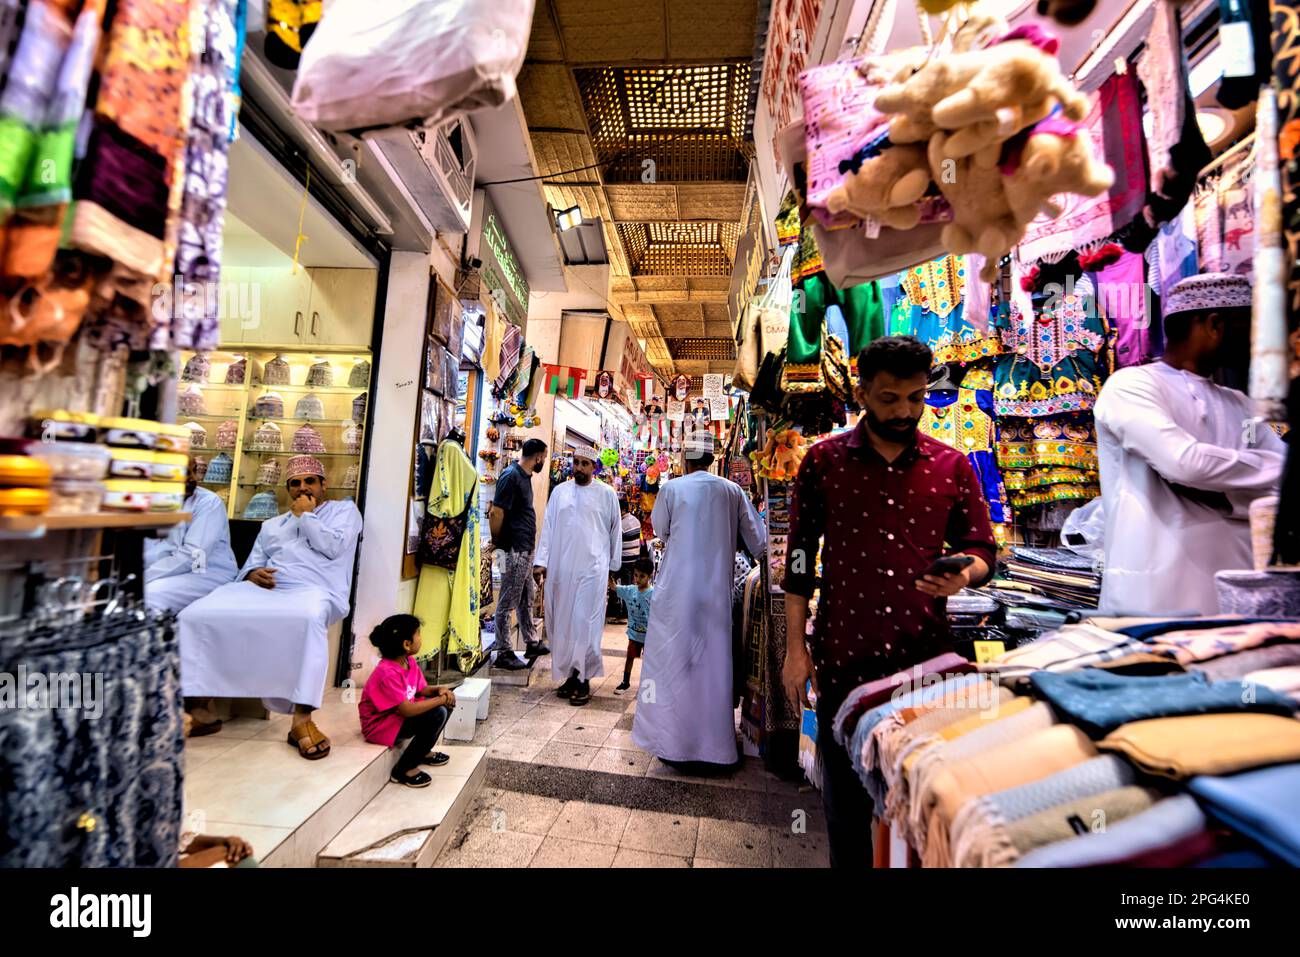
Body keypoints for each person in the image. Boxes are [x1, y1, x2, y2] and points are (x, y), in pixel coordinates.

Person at [780, 336, 997, 868]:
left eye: (916, 398)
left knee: (918, 816)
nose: (905, 411)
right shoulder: (824, 464)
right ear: (862, 393)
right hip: (843, 662)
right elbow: (801, 560)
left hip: (924, 668)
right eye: (889, 398)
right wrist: (794, 650)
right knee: (847, 818)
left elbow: (983, 548)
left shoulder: (952, 466)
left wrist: (965, 573)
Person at [1094, 273, 1287, 614]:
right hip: (1156, 590)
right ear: (1214, 325)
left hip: (1238, 584)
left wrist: (1225, 486)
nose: (1258, 341)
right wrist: (1250, 480)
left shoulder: (1240, 404)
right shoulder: (1131, 387)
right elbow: (1184, 463)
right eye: (1248, 326)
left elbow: (1287, 477)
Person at [179, 455, 364, 760]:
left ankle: (301, 720)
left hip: (314, 591)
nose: (303, 488)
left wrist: (307, 516)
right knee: (195, 614)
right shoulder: (272, 525)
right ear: (288, 489)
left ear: (323, 484)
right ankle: (199, 708)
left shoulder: (345, 512)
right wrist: (252, 574)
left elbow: (332, 548)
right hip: (265, 589)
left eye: (310, 481)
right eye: (295, 483)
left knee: (305, 619)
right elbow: (253, 563)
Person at [632, 430, 766, 768]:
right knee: (711, 671)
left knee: (673, 668)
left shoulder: (671, 489)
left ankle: (673, 745)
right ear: (711, 457)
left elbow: (661, 531)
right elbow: (760, 541)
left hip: (675, 595)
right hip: (714, 598)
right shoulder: (732, 491)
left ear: (686, 457)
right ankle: (714, 750)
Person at [533, 446, 621, 707]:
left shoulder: (606, 494)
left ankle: (583, 679)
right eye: (576, 462)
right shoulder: (560, 493)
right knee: (563, 624)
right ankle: (571, 675)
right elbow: (548, 528)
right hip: (562, 570)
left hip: (592, 571)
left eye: (585, 463)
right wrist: (541, 562)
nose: (579, 468)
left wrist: (612, 568)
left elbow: (615, 531)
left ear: (594, 467)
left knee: (585, 624)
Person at [359, 614, 457, 788]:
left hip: (397, 717)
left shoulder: (408, 661)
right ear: (406, 644)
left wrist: (440, 691)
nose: (421, 638)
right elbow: (407, 710)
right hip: (380, 726)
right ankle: (404, 769)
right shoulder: (386, 673)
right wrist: (439, 701)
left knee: (445, 706)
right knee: (438, 712)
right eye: (418, 634)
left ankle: (423, 751)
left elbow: (421, 689)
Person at [144, 457, 237, 615]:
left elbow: (194, 555)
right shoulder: (148, 501)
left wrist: (145, 576)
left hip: (204, 572)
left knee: (148, 597)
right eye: (185, 472)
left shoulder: (208, 502)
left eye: (194, 471)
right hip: (161, 572)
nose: (193, 478)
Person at [487, 438, 549, 670]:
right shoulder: (511, 476)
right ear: (538, 456)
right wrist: (498, 541)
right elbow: (496, 512)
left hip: (523, 547)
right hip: (512, 549)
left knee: (526, 596)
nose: (544, 460)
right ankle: (503, 650)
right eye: (544, 456)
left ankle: (530, 640)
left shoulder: (523, 476)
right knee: (508, 599)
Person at [612, 557, 655, 692]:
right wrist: (609, 574)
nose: (637, 579)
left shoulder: (654, 594)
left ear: (649, 576)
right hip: (634, 634)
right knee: (630, 657)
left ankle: (649, 686)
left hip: (650, 637)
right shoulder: (630, 590)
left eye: (642, 576)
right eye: (636, 575)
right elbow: (614, 587)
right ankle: (625, 682)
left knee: (649, 663)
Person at [608, 496, 644, 623]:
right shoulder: (635, 520)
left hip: (625, 560)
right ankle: (624, 612)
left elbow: (614, 541)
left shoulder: (622, 524)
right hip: (634, 558)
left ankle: (623, 613)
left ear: (622, 509)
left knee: (622, 586)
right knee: (628, 585)